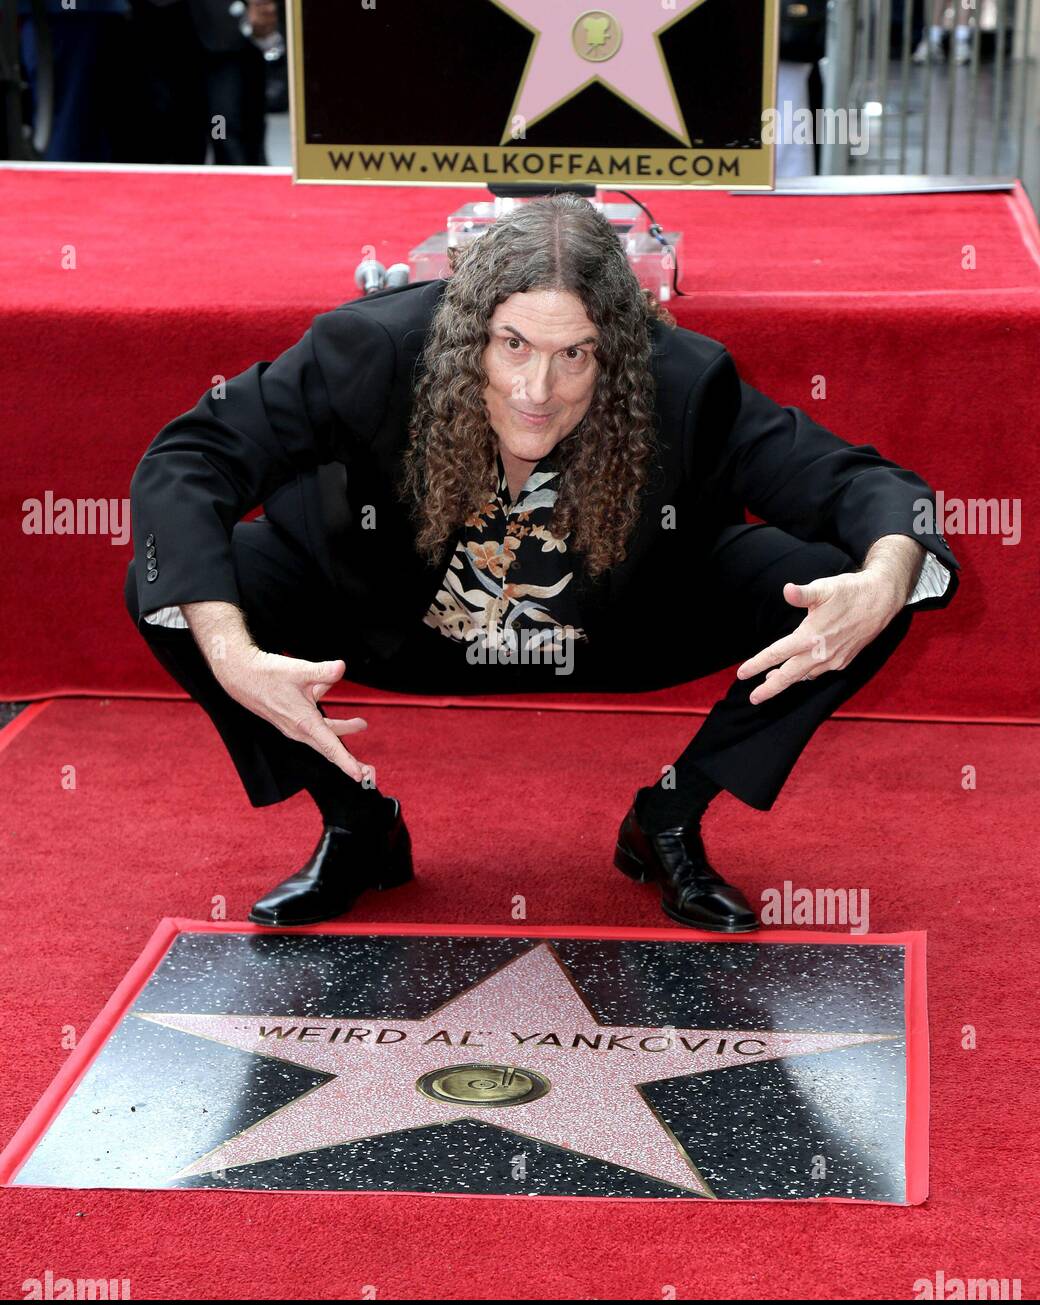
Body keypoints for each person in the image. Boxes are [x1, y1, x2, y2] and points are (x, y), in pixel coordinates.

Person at [125, 195, 958, 932]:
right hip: (391, 627)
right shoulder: (369, 349)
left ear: (618, 352)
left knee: (874, 584)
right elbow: (189, 460)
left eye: (575, 356)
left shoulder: (683, 381)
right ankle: (355, 821)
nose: (537, 389)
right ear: (467, 332)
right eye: (512, 345)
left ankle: (671, 813)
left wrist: (882, 578)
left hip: (617, 633)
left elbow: (871, 488)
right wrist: (232, 653)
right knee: (180, 585)